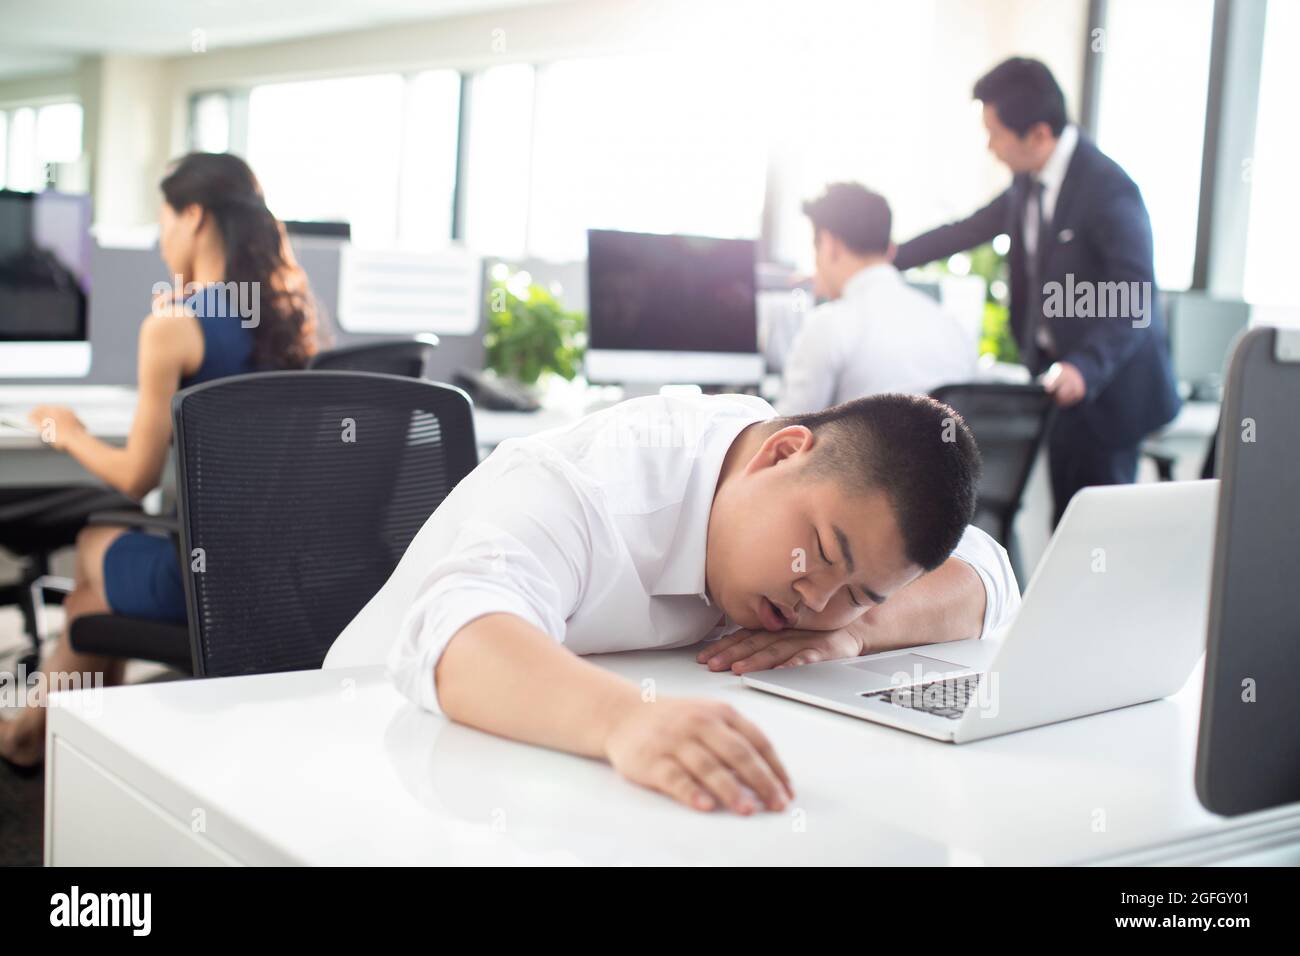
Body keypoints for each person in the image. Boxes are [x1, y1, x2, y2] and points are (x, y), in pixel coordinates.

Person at [326, 391, 1020, 814]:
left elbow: (989, 574)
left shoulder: (806, 521)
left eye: (856, 591)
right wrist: (624, 721)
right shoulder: (588, 485)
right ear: (781, 454)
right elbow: (454, 635)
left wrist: (860, 631)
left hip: (552, 777)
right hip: (369, 755)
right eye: (822, 553)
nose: (815, 599)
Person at [0, 153, 320, 767]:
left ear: (194, 216)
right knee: (89, 604)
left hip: (201, 580)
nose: (161, 237)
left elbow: (135, 476)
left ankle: (42, 740)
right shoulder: (283, 316)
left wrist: (64, 430)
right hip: (274, 573)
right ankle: (60, 743)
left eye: (165, 219)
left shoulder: (175, 323)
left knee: (96, 534)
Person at [893, 57, 1181, 525]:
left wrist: (1085, 367)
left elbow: (1135, 296)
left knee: (1093, 531)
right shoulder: (1028, 183)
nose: (991, 146)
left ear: (1039, 134)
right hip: (1058, 386)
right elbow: (965, 231)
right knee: (1066, 521)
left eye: (996, 134)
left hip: (1107, 388)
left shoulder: (1108, 189)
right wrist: (885, 258)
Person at [777, 183, 974, 414]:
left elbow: (784, 433)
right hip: (946, 450)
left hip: (867, 451)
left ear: (830, 245)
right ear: (890, 250)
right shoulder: (952, 327)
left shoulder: (829, 324)